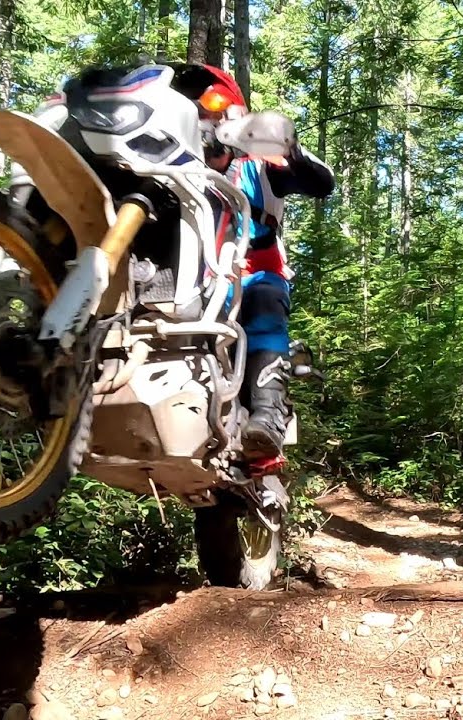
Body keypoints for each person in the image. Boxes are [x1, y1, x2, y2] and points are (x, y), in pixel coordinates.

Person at [170, 63, 334, 464]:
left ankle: (268, 415)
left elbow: (321, 182)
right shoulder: (169, 169)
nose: (201, 118)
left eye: (208, 108)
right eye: (192, 109)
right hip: (188, 284)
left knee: (263, 298)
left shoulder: (258, 164)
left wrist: (286, 151)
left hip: (253, 274)